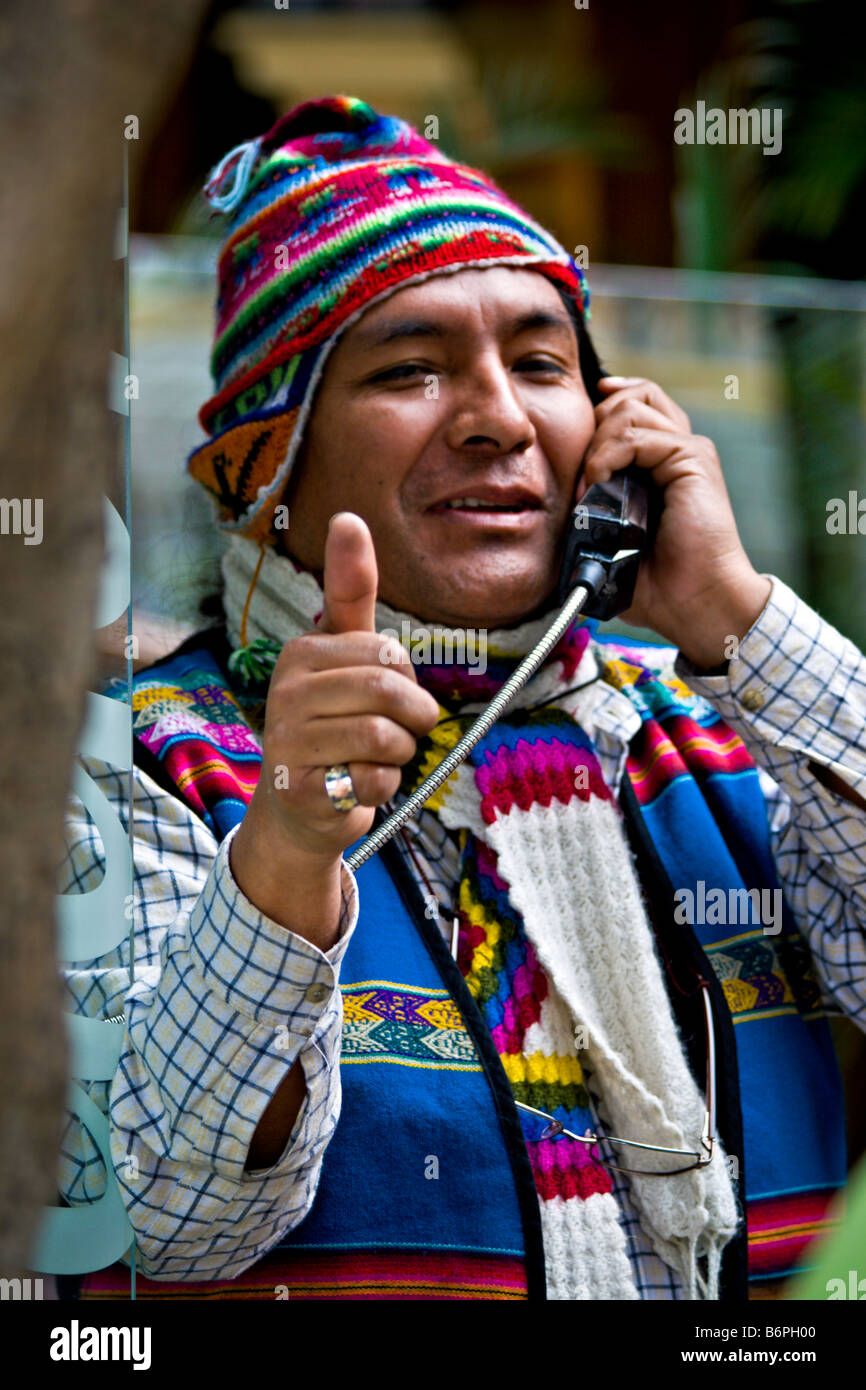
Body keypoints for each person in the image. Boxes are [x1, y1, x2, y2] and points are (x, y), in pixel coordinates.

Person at [59, 96, 866, 1302]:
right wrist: (281, 852)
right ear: (260, 470)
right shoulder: (132, 763)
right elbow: (165, 1223)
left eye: (541, 364)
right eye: (411, 368)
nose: (498, 418)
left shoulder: (713, 730)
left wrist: (734, 616)